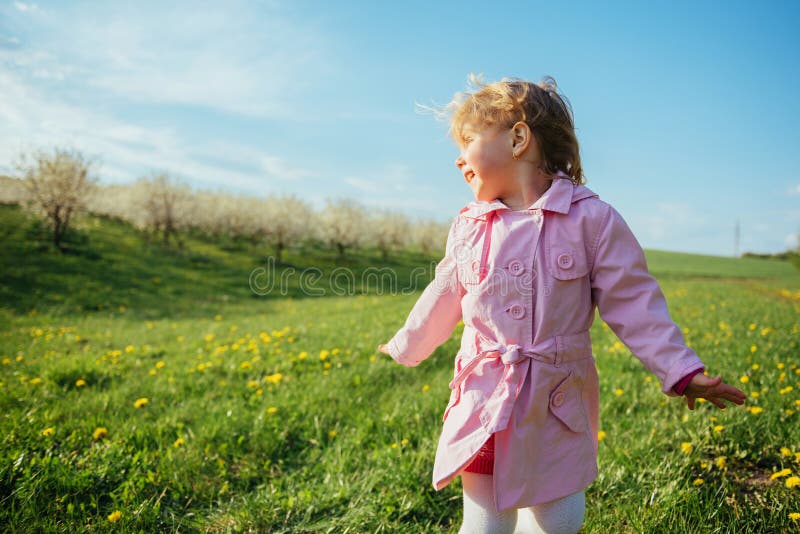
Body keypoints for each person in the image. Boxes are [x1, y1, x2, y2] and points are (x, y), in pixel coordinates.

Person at [377, 74, 747, 534]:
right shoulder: (469, 225)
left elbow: (634, 302)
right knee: (484, 522)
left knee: (558, 519)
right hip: (485, 394)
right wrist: (408, 343)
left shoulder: (592, 220)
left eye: (469, 140)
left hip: (556, 400)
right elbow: (446, 288)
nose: (458, 158)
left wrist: (680, 370)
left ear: (517, 138)